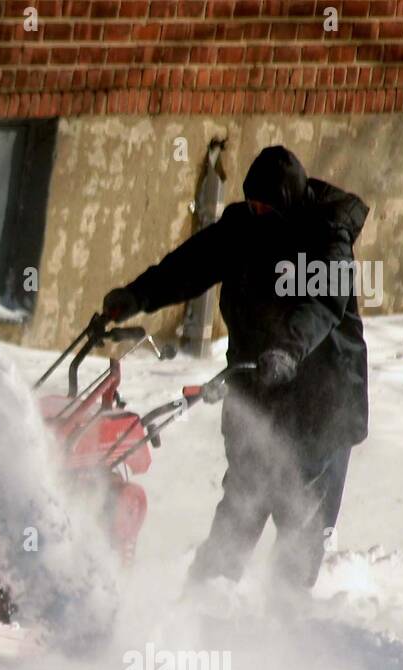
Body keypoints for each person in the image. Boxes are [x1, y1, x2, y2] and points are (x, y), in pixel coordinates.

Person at [100, 145, 369, 595]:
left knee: (301, 521)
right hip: (260, 388)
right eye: (251, 202)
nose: (256, 210)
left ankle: (283, 634)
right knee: (240, 505)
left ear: (286, 203)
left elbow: (323, 302)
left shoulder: (326, 235)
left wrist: (286, 349)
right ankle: (203, 602)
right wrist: (138, 296)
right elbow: (190, 265)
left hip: (321, 405)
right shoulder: (244, 227)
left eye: (265, 205)